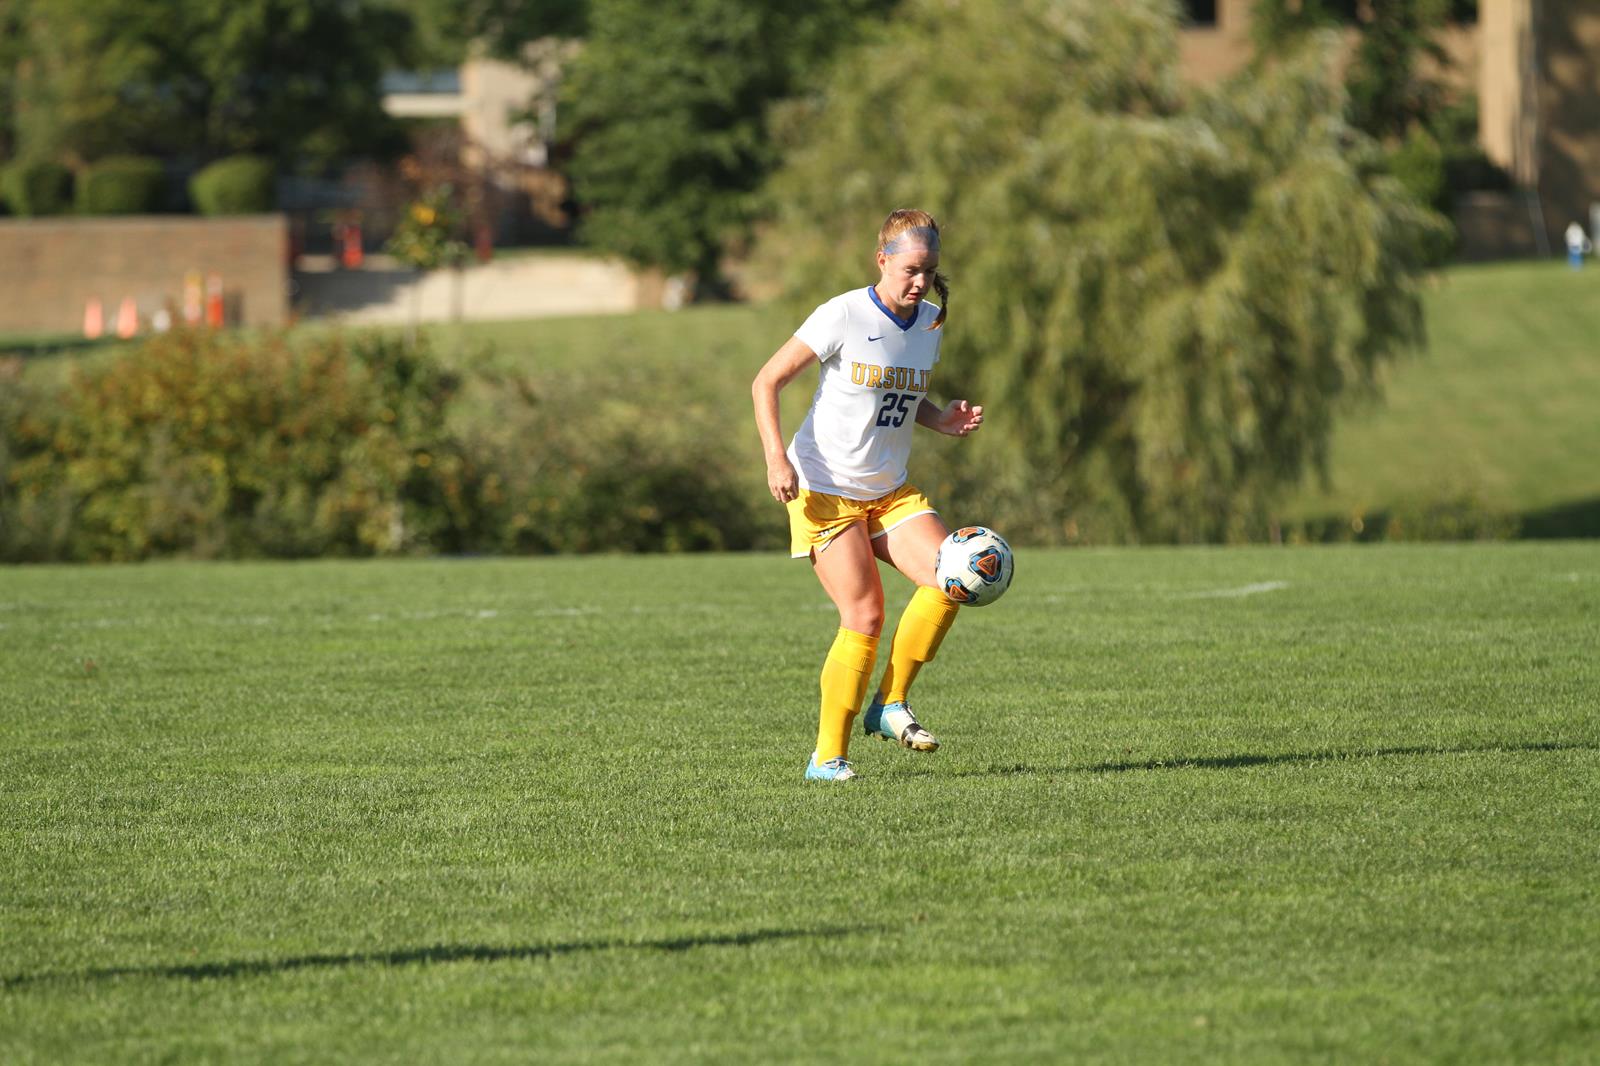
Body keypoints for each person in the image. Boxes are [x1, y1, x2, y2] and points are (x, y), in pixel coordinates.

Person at [751, 209, 985, 782]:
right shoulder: (845, 313)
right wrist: (775, 456)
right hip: (824, 488)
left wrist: (940, 419)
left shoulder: (930, 321)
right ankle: (827, 758)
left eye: (929, 270)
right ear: (882, 259)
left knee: (951, 578)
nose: (920, 282)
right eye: (910, 269)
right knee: (865, 613)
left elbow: (898, 397)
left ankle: (889, 704)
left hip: (890, 491)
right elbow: (766, 381)